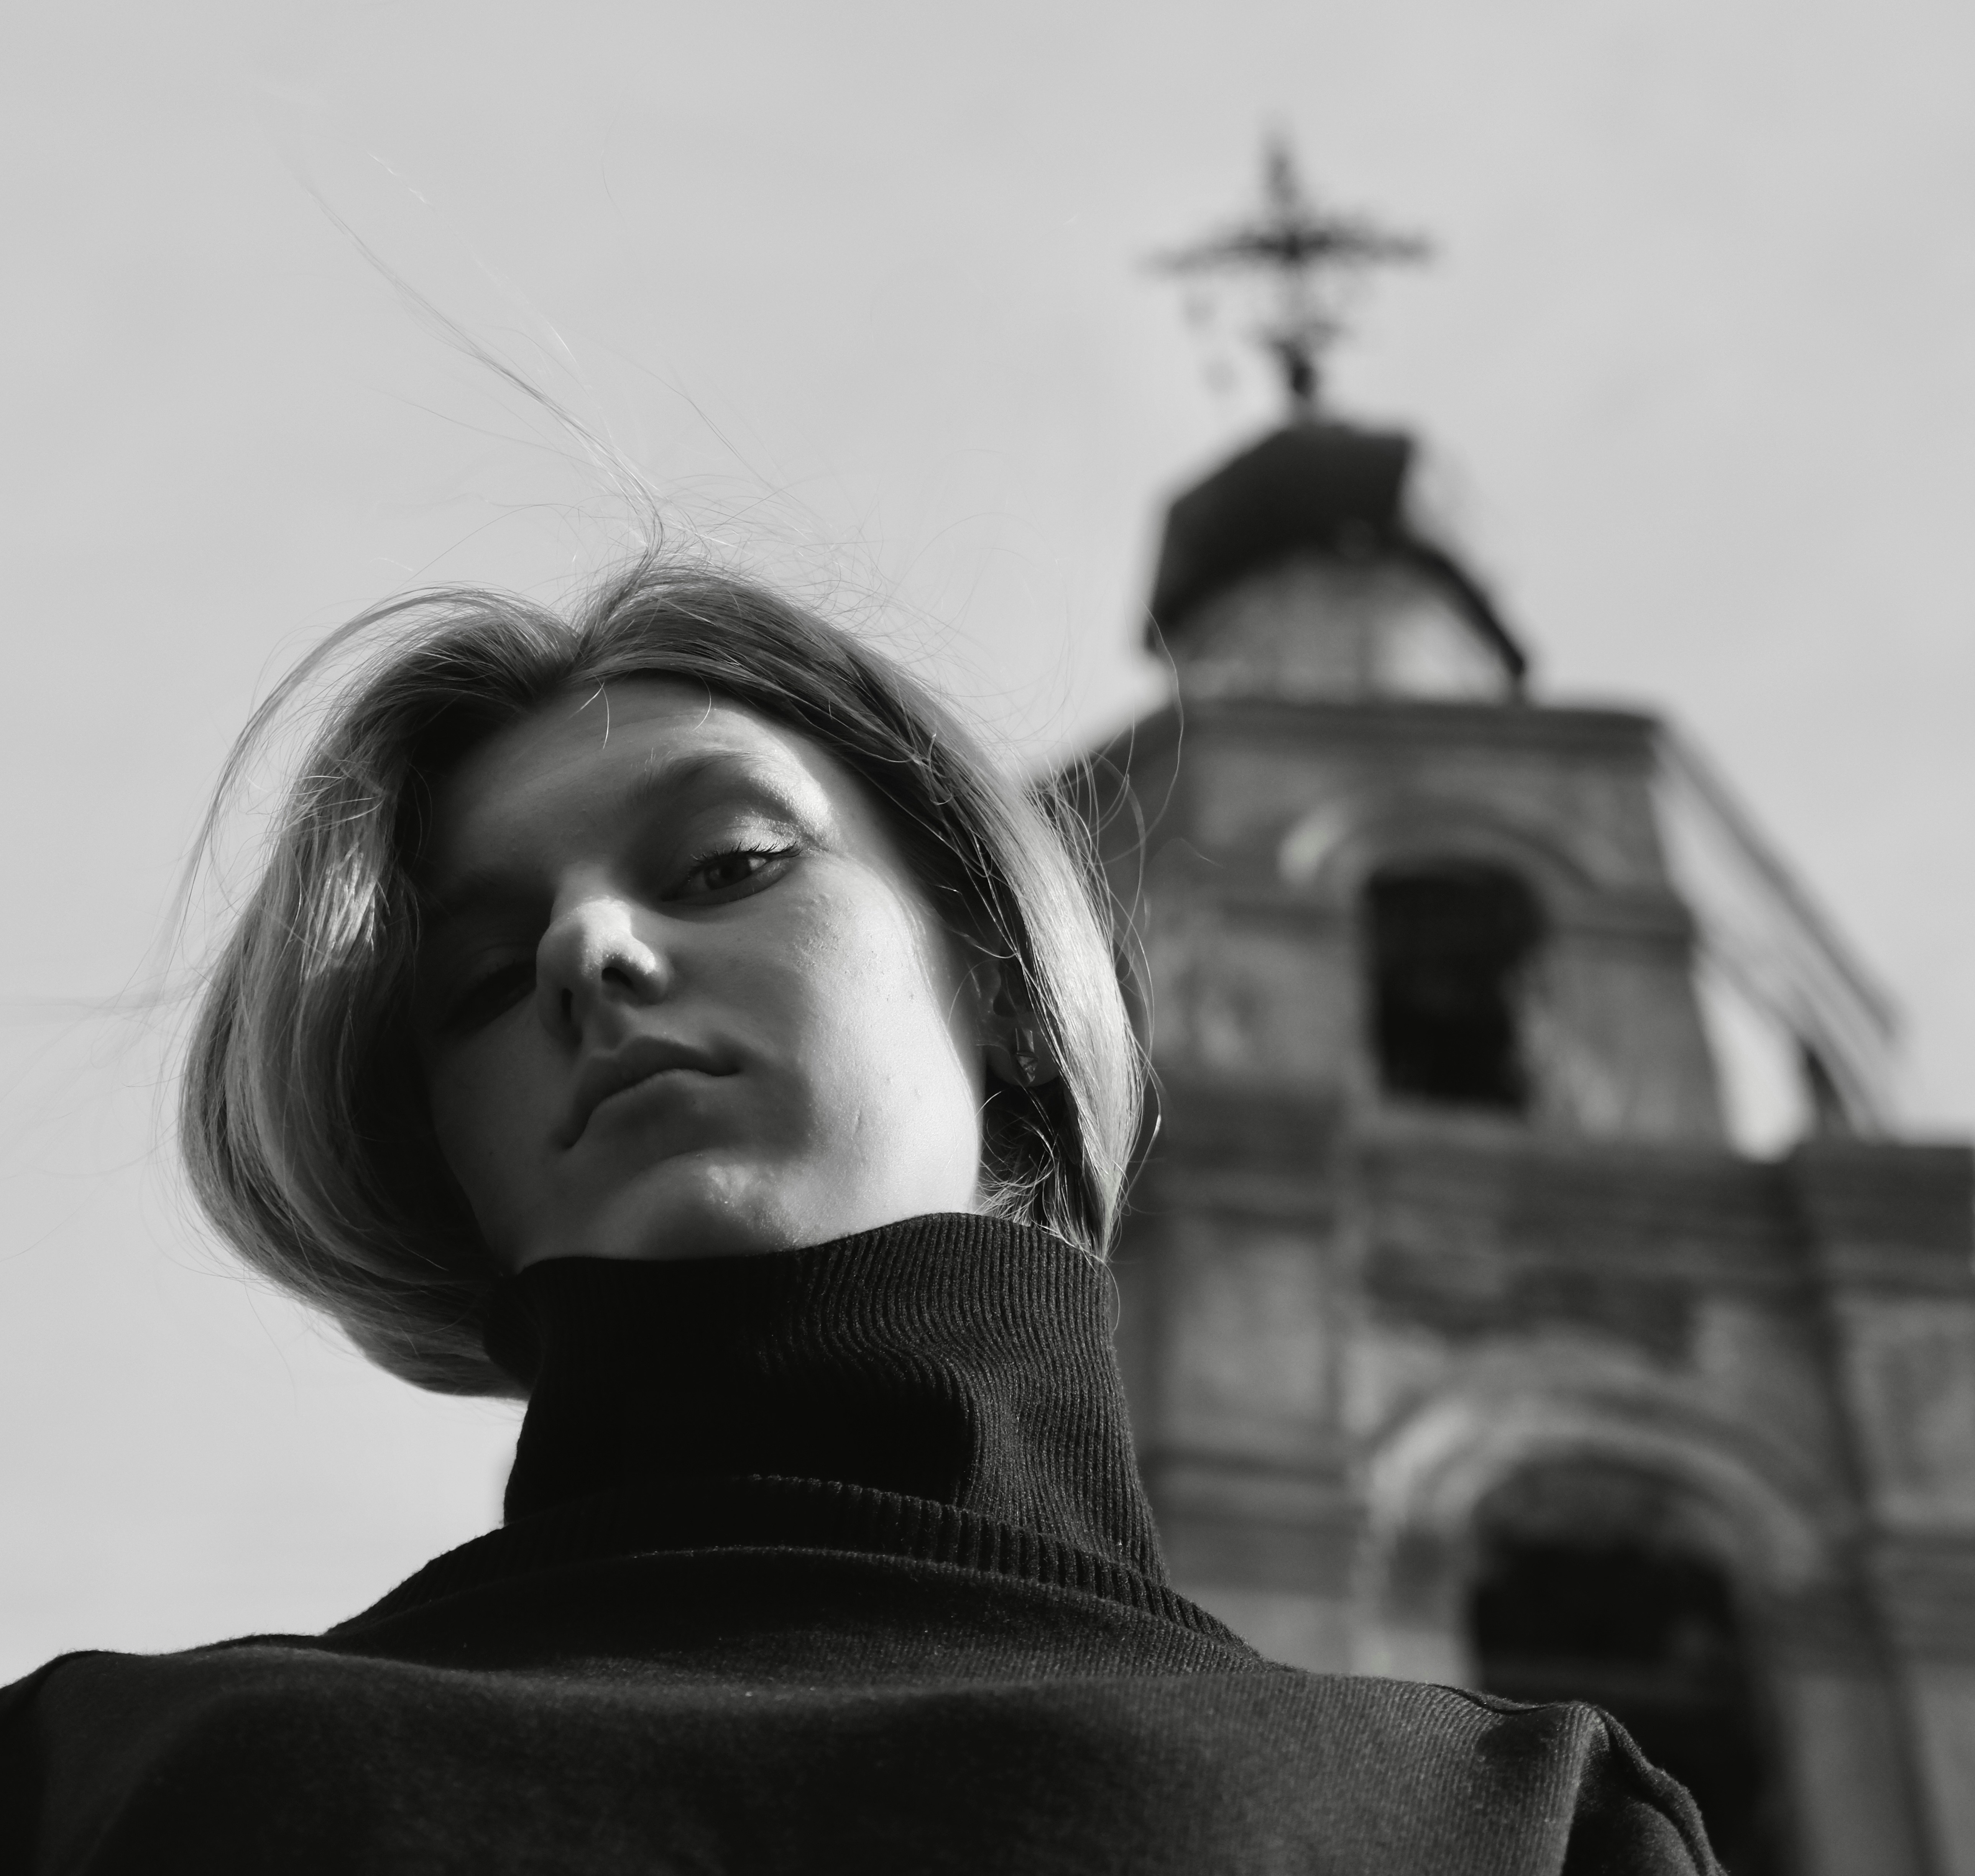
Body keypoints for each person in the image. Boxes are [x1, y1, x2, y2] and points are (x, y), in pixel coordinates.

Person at [0, 560, 1719, 1873]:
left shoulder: (1513, 1826)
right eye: (478, 975)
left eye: (727, 865)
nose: (589, 951)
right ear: (436, 1148)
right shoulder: (110, 1778)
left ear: (1002, 970)